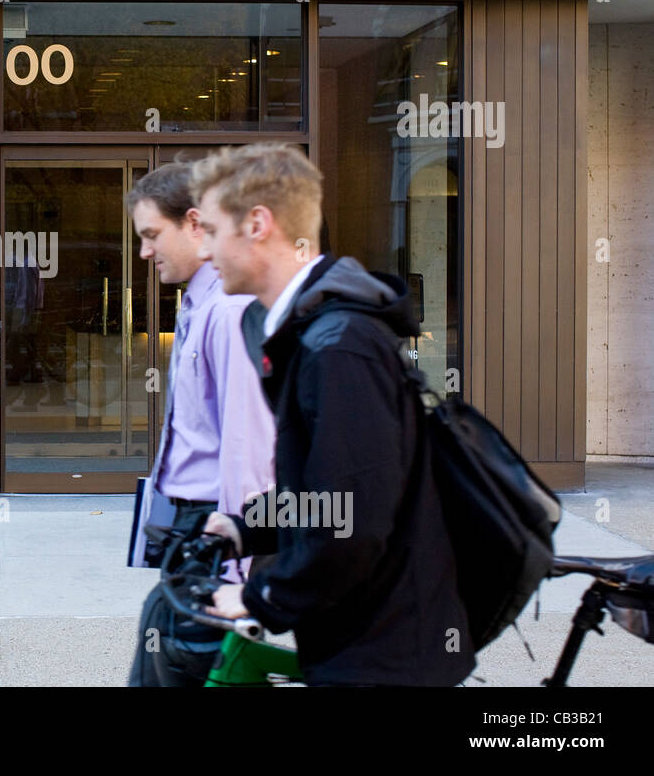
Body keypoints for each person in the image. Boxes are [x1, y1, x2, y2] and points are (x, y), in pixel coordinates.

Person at [191, 142, 474, 687]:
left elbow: (353, 520)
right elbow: (329, 489)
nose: (205, 252)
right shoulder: (316, 331)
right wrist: (248, 527)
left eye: (211, 231)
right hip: (361, 640)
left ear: (257, 224)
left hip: (383, 655)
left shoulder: (338, 345)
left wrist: (258, 596)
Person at [124, 162, 276, 687]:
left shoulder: (229, 310)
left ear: (194, 223)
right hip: (192, 528)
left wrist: (235, 568)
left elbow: (247, 448)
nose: (145, 252)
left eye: (151, 235)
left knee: (183, 666)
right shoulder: (199, 301)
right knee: (164, 657)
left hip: (214, 531)